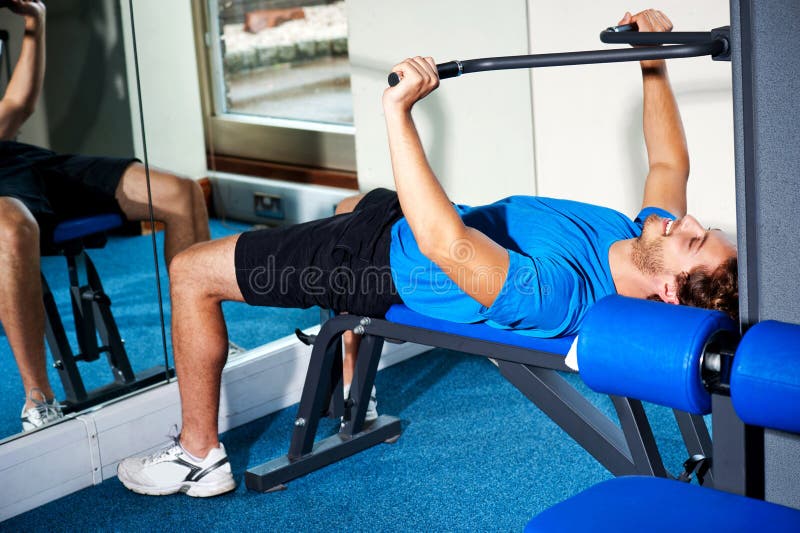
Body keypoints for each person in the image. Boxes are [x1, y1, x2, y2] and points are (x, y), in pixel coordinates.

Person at [117, 8, 737, 497]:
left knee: (190, 271)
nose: (681, 220)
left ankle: (199, 456)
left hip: (370, 263)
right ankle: (355, 391)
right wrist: (652, 59)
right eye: (696, 226)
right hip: (406, 224)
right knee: (355, 201)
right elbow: (667, 161)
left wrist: (397, 112)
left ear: (669, 292)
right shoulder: (637, 240)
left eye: (690, 239)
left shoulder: (552, 293)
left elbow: (447, 244)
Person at [0, 0, 210, 431]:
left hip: (21, 159)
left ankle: (200, 349)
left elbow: (16, 106)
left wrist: (35, 19)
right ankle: (40, 399)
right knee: (11, 228)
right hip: (8, 191)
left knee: (181, 193)